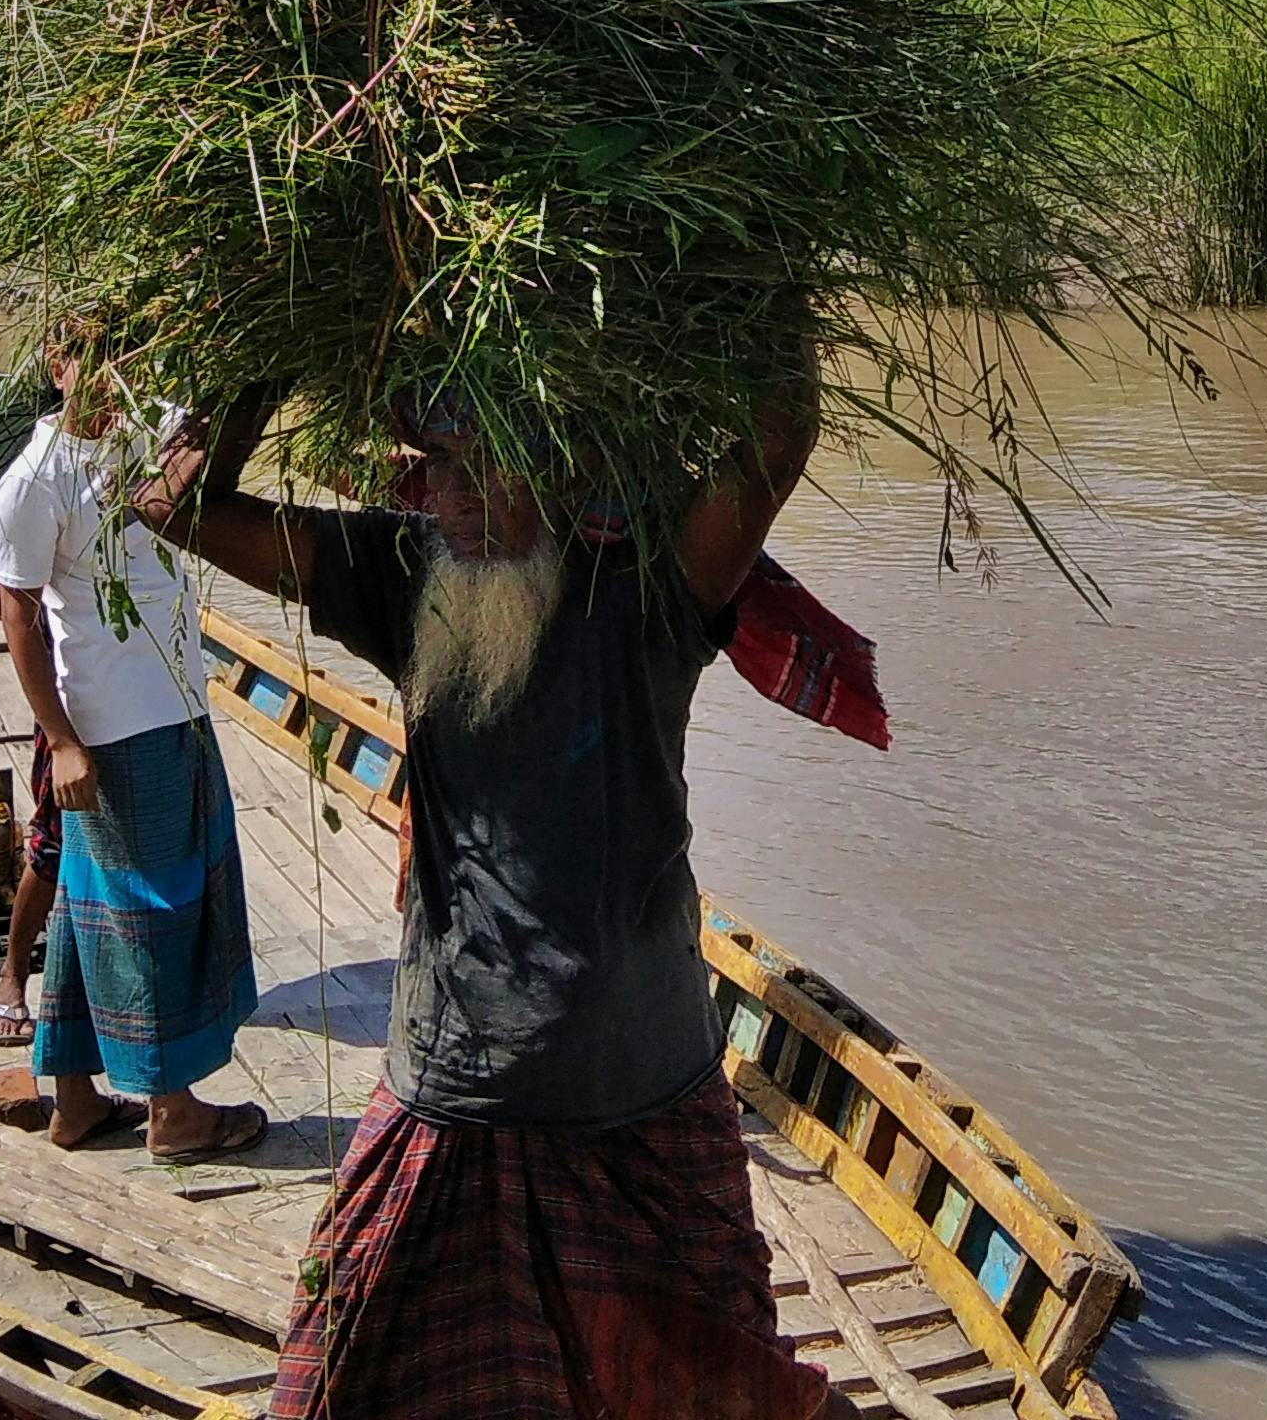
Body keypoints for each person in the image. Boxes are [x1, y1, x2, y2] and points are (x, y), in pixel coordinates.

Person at [138, 337, 830, 1420]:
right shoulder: (403, 574)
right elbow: (171, 505)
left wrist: (769, 293)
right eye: (438, 464)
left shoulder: (649, 586)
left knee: (727, 1388)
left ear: (562, 466)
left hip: (640, 1084)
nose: (450, 494)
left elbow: (778, 434)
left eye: (483, 462)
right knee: (338, 1383)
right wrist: (265, 341)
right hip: (454, 1081)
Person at [0, 326, 266, 1161]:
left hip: (171, 702)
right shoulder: (32, 480)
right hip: (117, 725)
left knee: (87, 906)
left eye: (131, 351)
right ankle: (173, 1111)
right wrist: (63, 742)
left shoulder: (149, 433)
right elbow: (19, 616)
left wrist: (252, 339)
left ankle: (75, 1100)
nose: (116, 373)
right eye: (96, 354)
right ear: (57, 366)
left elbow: (216, 435)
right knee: (155, 909)